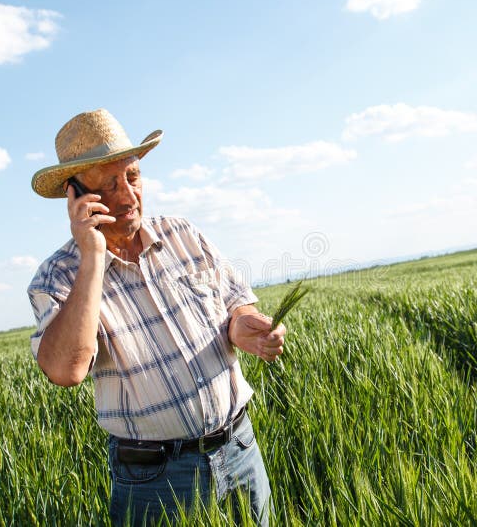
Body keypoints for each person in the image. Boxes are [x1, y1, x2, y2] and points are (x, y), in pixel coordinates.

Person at [27, 108, 286, 525]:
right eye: (109, 186)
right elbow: (66, 369)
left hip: (238, 450)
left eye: (132, 177)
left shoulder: (182, 234)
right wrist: (92, 254)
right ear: (77, 197)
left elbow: (235, 305)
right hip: (155, 480)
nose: (129, 197)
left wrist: (243, 327)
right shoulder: (57, 276)